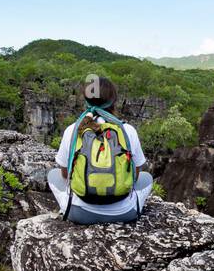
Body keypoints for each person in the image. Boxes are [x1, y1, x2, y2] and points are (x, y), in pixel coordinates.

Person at [46, 76, 153, 224]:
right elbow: (135, 175)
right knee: (147, 177)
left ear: (86, 101)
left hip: (79, 213)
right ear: (114, 101)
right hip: (125, 213)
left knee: (53, 174)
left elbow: (66, 174)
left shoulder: (74, 129)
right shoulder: (128, 130)